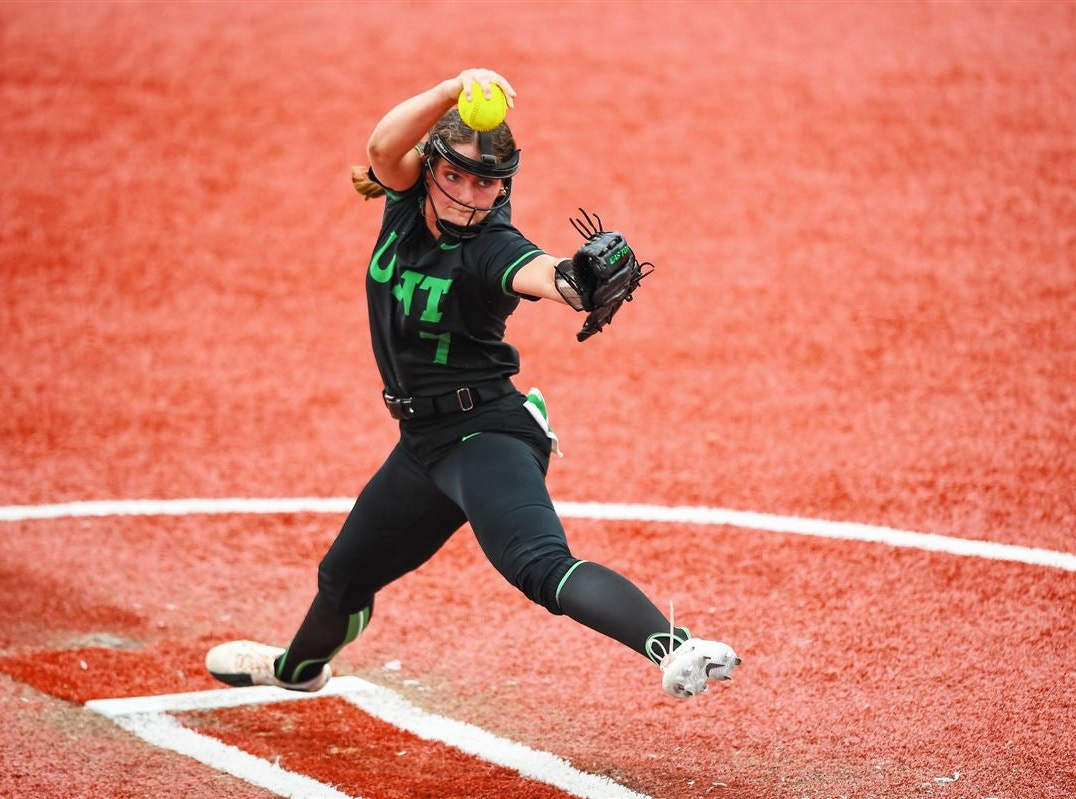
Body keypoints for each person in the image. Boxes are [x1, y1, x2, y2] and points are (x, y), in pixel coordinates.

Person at [205, 68, 740, 700]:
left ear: (502, 187)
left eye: (484, 182)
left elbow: (543, 275)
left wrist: (575, 282)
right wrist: (451, 89)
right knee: (343, 577)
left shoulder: (492, 244)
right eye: (454, 175)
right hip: (423, 441)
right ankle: (297, 670)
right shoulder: (405, 199)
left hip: (485, 432)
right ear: (429, 168)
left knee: (536, 564)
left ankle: (676, 648)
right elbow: (381, 149)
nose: (466, 194)